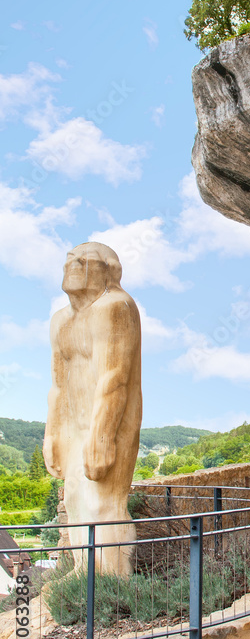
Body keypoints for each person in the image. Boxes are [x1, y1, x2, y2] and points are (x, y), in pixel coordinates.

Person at [44, 242, 141, 575]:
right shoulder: (60, 321)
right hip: (73, 425)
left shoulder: (115, 306)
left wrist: (102, 435)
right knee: (74, 499)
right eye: (70, 258)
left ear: (108, 270)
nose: (73, 263)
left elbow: (115, 377)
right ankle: (87, 574)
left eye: (86, 260)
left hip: (111, 421)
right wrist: (52, 435)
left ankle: (113, 582)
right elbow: (58, 384)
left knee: (104, 504)